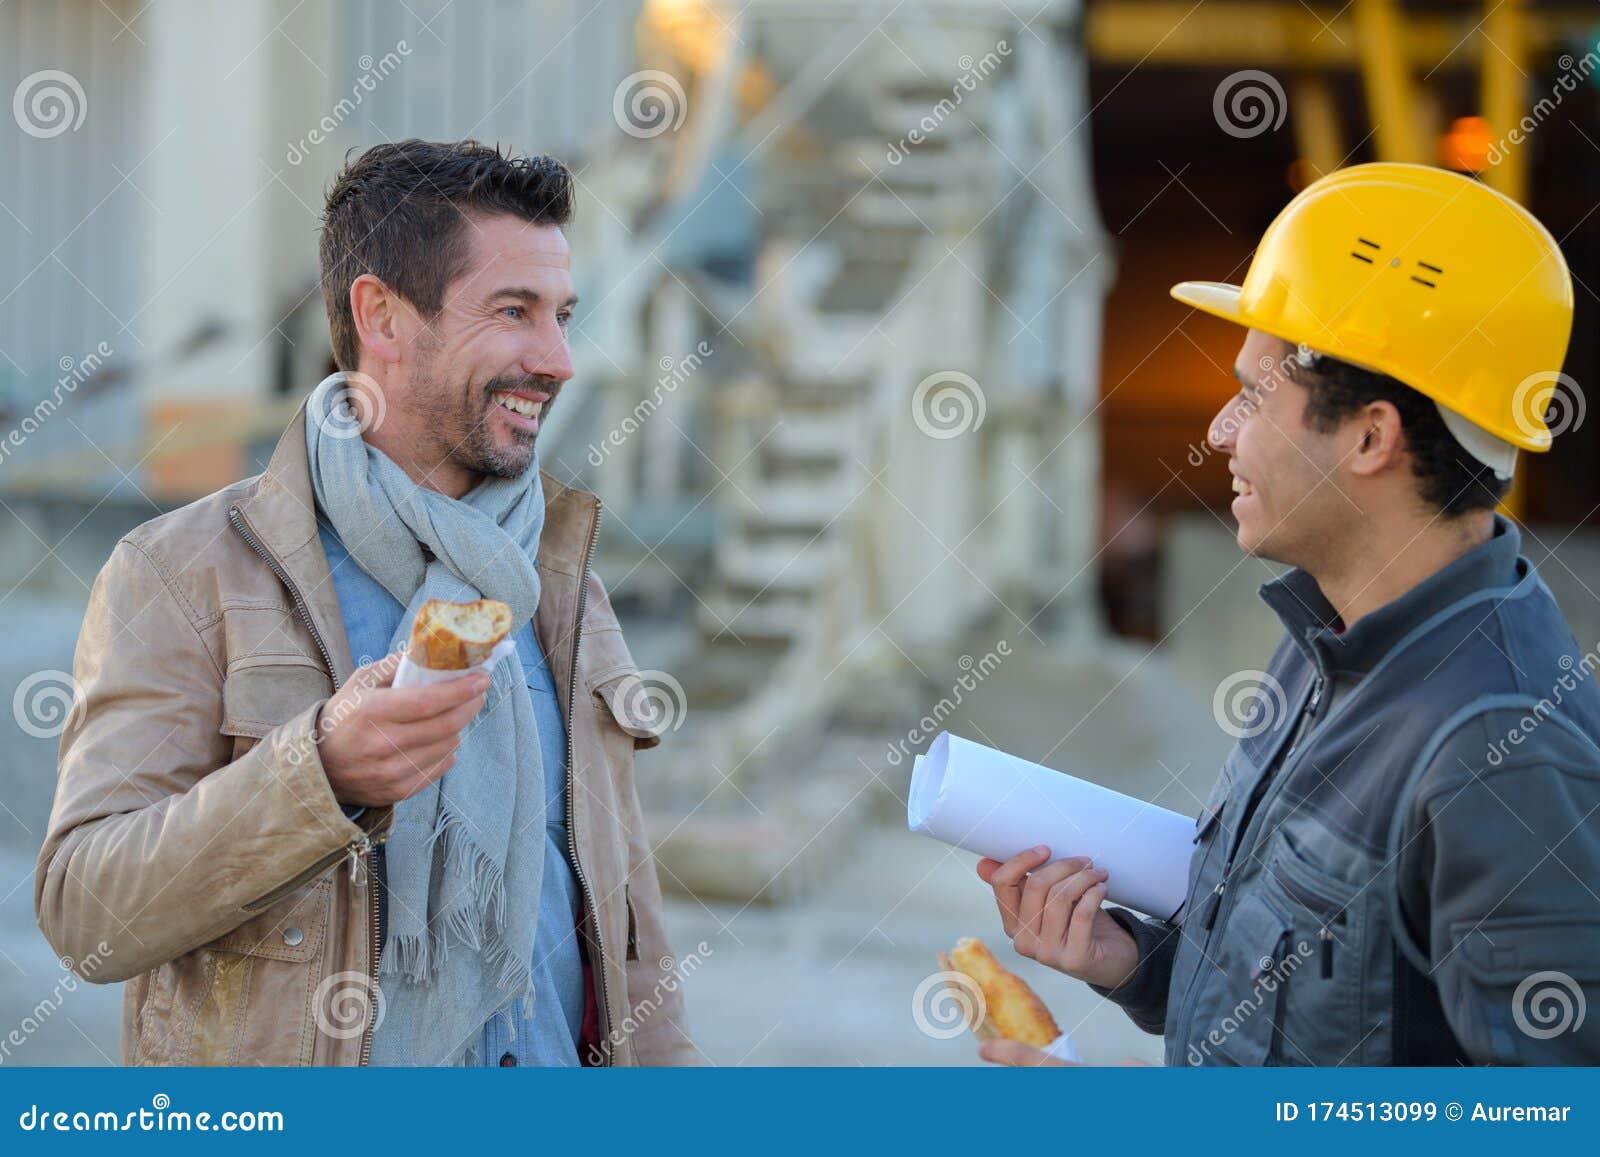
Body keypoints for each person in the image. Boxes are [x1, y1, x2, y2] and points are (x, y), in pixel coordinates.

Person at [36, 139, 696, 1067]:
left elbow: (633, 944)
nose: (558, 359)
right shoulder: (184, 572)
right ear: (381, 316)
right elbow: (84, 909)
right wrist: (321, 774)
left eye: (563, 316)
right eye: (515, 312)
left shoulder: (560, 584)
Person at [978, 162, 1600, 1066]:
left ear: (1370, 437)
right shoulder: (1329, 637)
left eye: (1255, 392)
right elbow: (1328, 1009)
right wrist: (1138, 962)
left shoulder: (1502, 749)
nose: (1224, 429)